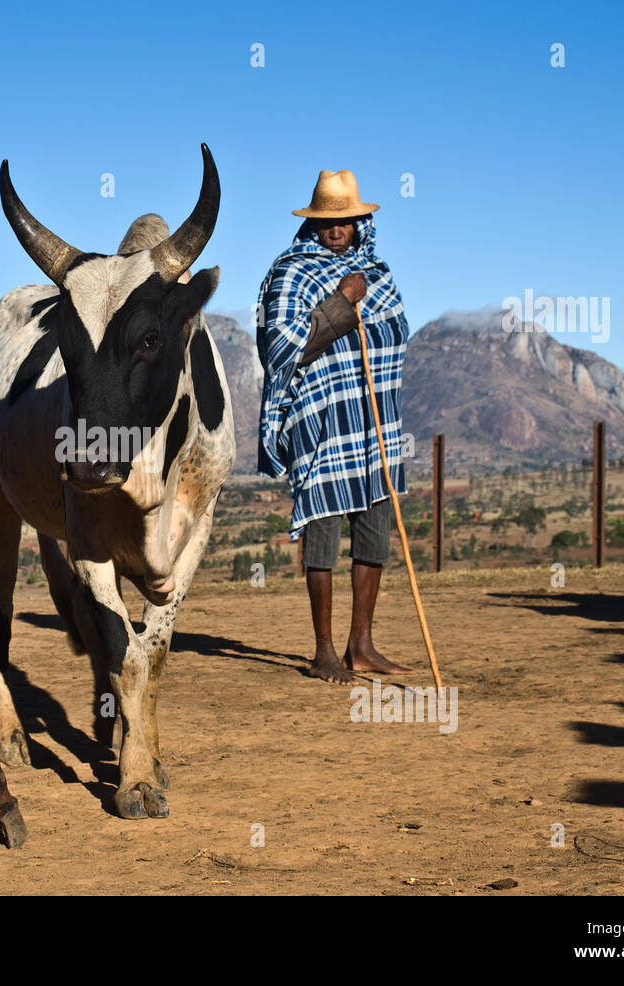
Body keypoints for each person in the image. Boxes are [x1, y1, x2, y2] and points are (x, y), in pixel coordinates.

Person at [256, 169, 413, 683]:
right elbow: (283, 346)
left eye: (346, 219)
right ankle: (324, 649)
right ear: (314, 224)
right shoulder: (290, 273)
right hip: (320, 418)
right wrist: (342, 303)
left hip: (372, 420)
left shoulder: (379, 274)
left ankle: (361, 645)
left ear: (360, 221)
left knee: (374, 534)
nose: (337, 228)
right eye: (328, 220)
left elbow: (397, 333)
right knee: (322, 531)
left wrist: (364, 302)